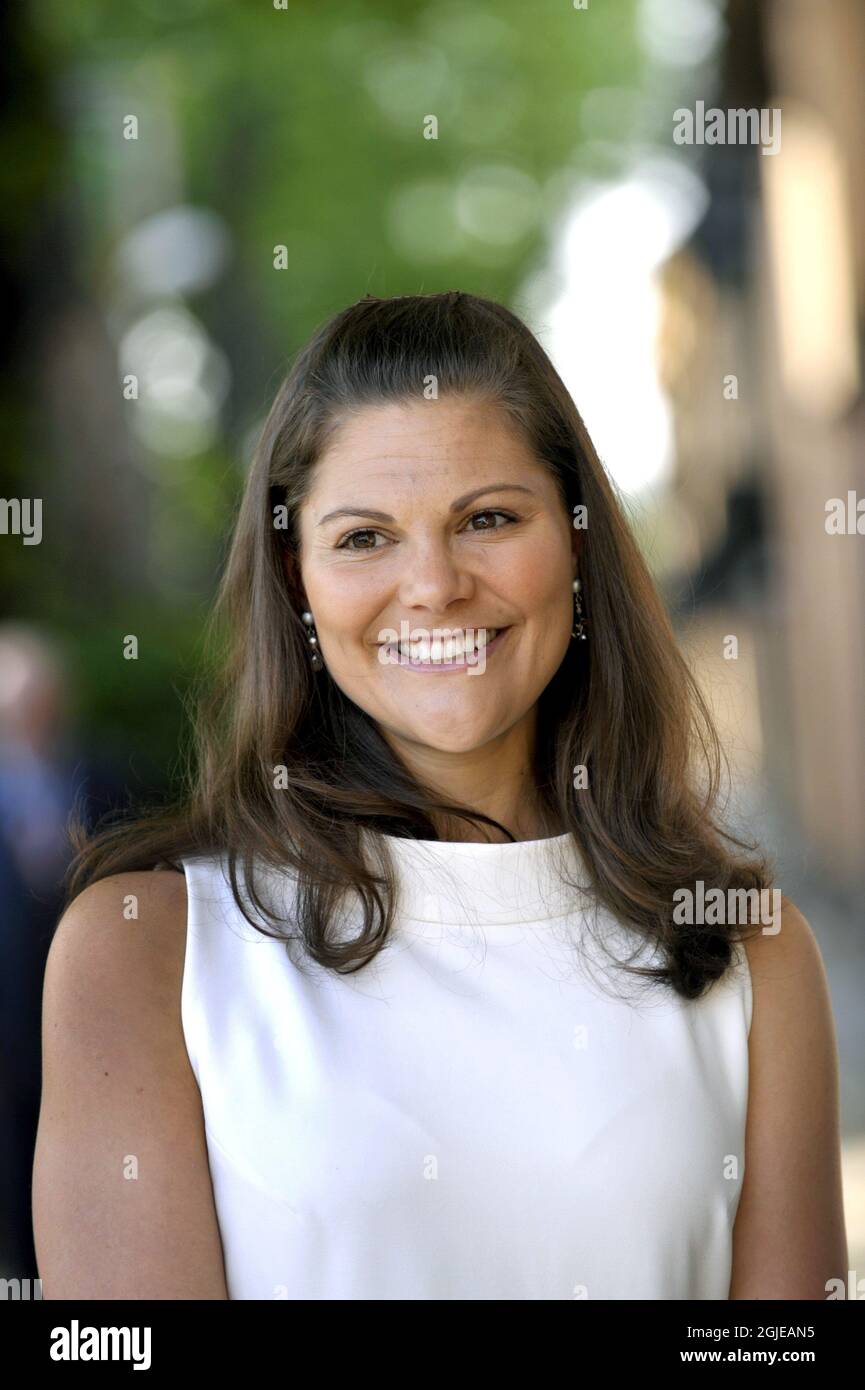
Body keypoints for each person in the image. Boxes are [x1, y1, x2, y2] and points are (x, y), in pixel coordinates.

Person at [32, 291, 847, 1299]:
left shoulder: (749, 953)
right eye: (364, 536)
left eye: (489, 518)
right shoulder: (147, 948)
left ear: (579, 543)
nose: (432, 585)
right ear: (298, 581)